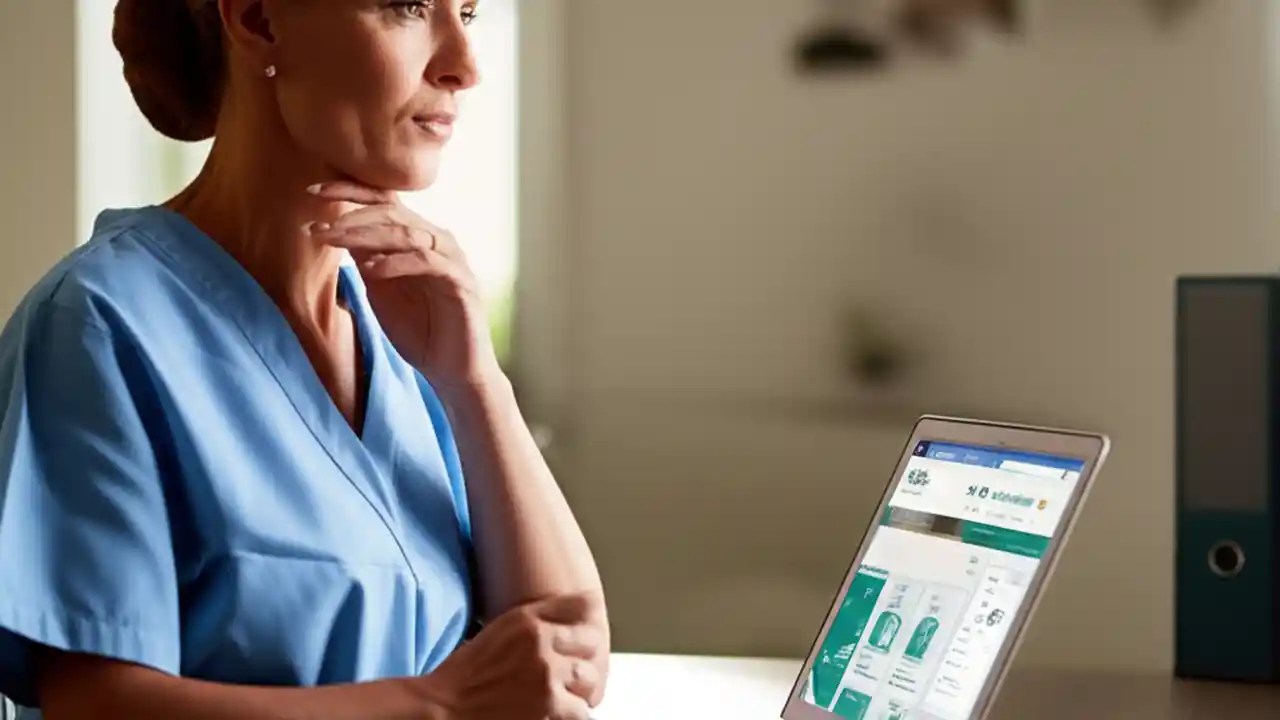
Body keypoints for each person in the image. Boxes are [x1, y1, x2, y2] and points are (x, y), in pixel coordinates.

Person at [0, 1, 609, 718]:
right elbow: (94, 703)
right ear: (258, 17)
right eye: (409, 5)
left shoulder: (411, 335)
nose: (464, 66)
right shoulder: (98, 325)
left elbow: (569, 657)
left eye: (469, 14)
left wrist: (475, 380)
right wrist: (437, 705)